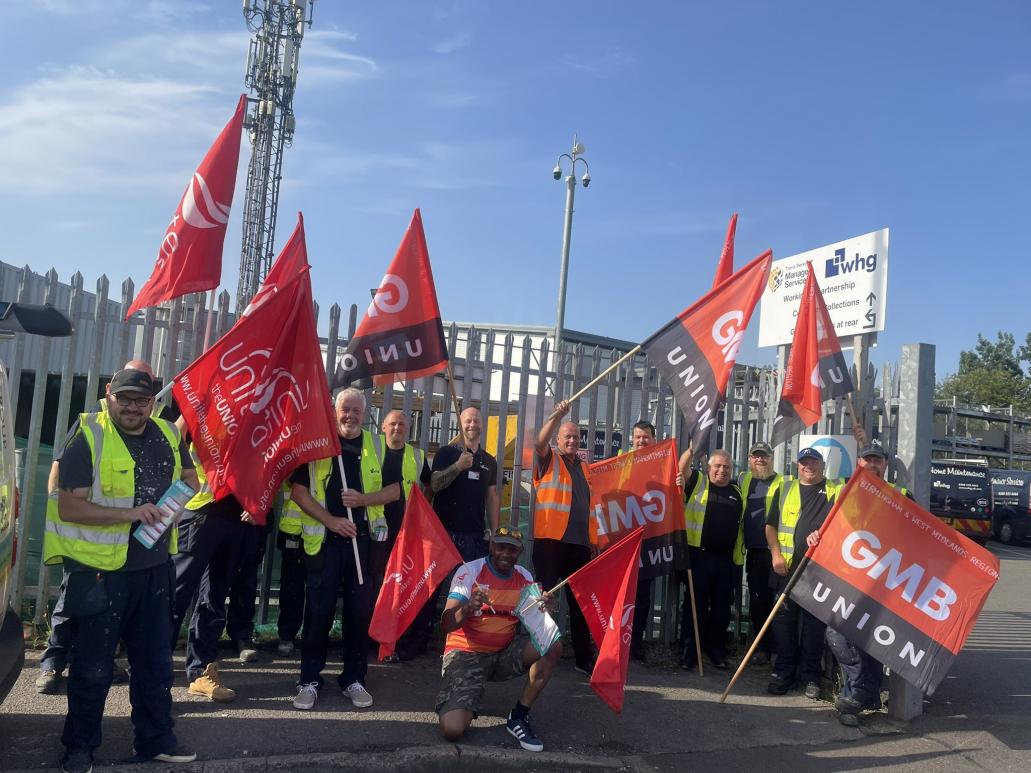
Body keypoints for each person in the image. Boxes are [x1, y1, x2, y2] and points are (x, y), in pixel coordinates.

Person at [44, 368, 199, 773]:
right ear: (109, 394)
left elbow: (190, 477)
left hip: (153, 569)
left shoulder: (167, 433)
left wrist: (178, 500)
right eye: (125, 398)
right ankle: (79, 748)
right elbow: (69, 506)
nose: (132, 407)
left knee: (155, 665)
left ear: (153, 402)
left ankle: (156, 741)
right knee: (93, 667)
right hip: (99, 573)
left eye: (141, 400)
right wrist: (130, 514)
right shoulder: (88, 437)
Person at [36, 359, 159, 695]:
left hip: (129, 547)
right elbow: (60, 471)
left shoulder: (153, 423)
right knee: (70, 605)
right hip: (87, 542)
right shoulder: (93, 425)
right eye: (130, 387)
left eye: (145, 385)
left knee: (104, 624)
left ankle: (98, 660)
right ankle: (52, 663)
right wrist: (55, 504)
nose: (136, 397)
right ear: (111, 391)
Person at [288, 388, 400, 711]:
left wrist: (363, 501)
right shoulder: (316, 442)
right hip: (325, 543)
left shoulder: (377, 445)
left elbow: (394, 492)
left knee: (358, 613)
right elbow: (298, 492)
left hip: (362, 545)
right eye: (344, 410)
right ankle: (309, 680)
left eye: (356, 410)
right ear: (335, 411)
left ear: (365, 414)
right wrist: (331, 520)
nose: (350, 416)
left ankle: (354, 679)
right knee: (318, 613)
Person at [436, 527, 561, 752]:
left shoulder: (524, 576)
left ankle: (518, 718)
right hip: (467, 654)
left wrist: (546, 611)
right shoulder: (469, 571)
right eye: (501, 547)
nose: (506, 553)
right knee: (452, 730)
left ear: (520, 553)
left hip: (503, 653)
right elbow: (446, 624)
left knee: (550, 644)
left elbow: (537, 627)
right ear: (491, 547)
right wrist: (467, 608)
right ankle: (464, 694)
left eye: (512, 550)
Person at [169, 450, 268, 703]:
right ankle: (151, 667)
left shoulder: (255, 416)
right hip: (200, 513)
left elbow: (266, 462)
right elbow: (175, 442)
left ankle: (201, 671)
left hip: (235, 517)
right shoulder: (203, 411)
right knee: (176, 595)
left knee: (214, 597)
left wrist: (258, 499)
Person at [826, 441, 912, 726]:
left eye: (877, 460)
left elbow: (918, 540)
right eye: (867, 460)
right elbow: (826, 527)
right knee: (838, 635)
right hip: (848, 578)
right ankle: (865, 691)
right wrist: (815, 535)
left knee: (872, 640)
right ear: (859, 464)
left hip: (884, 585)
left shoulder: (901, 496)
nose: (872, 465)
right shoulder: (844, 492)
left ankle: (857, 695)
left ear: (885, 464)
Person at [765, 447, 842, 699]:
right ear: (797, 465)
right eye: (804, 462)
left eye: (814, 461)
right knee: (783, 625)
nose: (809, 466)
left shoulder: (836, 490)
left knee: (813, 628)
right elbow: (770, 526)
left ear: (822, 464)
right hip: (786, 569)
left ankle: (810, 676)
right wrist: (775, 555)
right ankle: (784, 672)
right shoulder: (784, 489)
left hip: (818, 572)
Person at [532, 399, 598, 675]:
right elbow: (539, 442)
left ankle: (584, 659)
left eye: (575, 437)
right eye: (567, 436)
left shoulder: (585, 469)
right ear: (558, 439)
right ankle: (537, 652)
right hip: (550, 543)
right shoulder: (549, 460)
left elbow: (590, 509)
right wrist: (557, 416)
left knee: (581, 605)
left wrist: (593, 542)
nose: (572, 440)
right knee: (543, 600)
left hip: (579, 546)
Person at [678, 448, 744, 671]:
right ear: (709, 468)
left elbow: (740, 530)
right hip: (699, 558)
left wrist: (737, 564)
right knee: (694, 607)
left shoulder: (737, 492)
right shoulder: (698, 482)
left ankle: (716, 650)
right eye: (717, 466)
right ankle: (689, 652)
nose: (722, 470)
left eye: (726, 467)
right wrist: (691, 449)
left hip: (726, 561)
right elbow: (681, 469)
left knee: (721, 609)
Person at [374, 410, 431, 662]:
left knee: (402, 584)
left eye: (401, 423)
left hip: (405, 532)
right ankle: (374, 636)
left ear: (407, 428)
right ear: (384, 427)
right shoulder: (372, 450)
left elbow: (429, 486)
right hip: (375, 529)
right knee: (376, 584)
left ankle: (401, 636)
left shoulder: (417, 456)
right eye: (392, 424)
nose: (397, 427)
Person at [737, 441, 787, 666]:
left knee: (779, 603)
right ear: (749, 459)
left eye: (764, 456)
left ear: (771, 458)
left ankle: (779, 650)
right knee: (758, 603)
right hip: (755, 551)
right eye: (756, 456)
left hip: (778, 551)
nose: (760, 460)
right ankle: (762, 649)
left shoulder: (785, 482)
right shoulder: (743, 479)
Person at [430, 406, 500, 560]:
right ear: (460, 425)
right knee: (446, 584)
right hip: (445, 534)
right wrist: (457, 466)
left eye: (476, 421)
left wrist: (494, 531)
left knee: (471, 584)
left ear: (482, 425)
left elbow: (492, 497)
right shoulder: (446, 453)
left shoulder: (489, 461)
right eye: (468, 421)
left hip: (475, 536)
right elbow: (434, 484)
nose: (472, 424)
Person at [626, 420, 658, 660]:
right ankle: (618, 641)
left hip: (650, 538)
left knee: (643, 595)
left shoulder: (661, 462)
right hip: (624, 539)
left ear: (653, 439)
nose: (641, 441)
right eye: (638, 437)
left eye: (645, 437)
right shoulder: (621, 463)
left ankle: (635, 643)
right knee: (622, 594)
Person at [275, 482, 306, 657]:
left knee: (322, 589)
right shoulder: (293, 457)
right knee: (291, 588)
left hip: (325, 528)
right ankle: (287, 635)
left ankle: (315, 636)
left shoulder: (328, 457)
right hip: (293, 531)